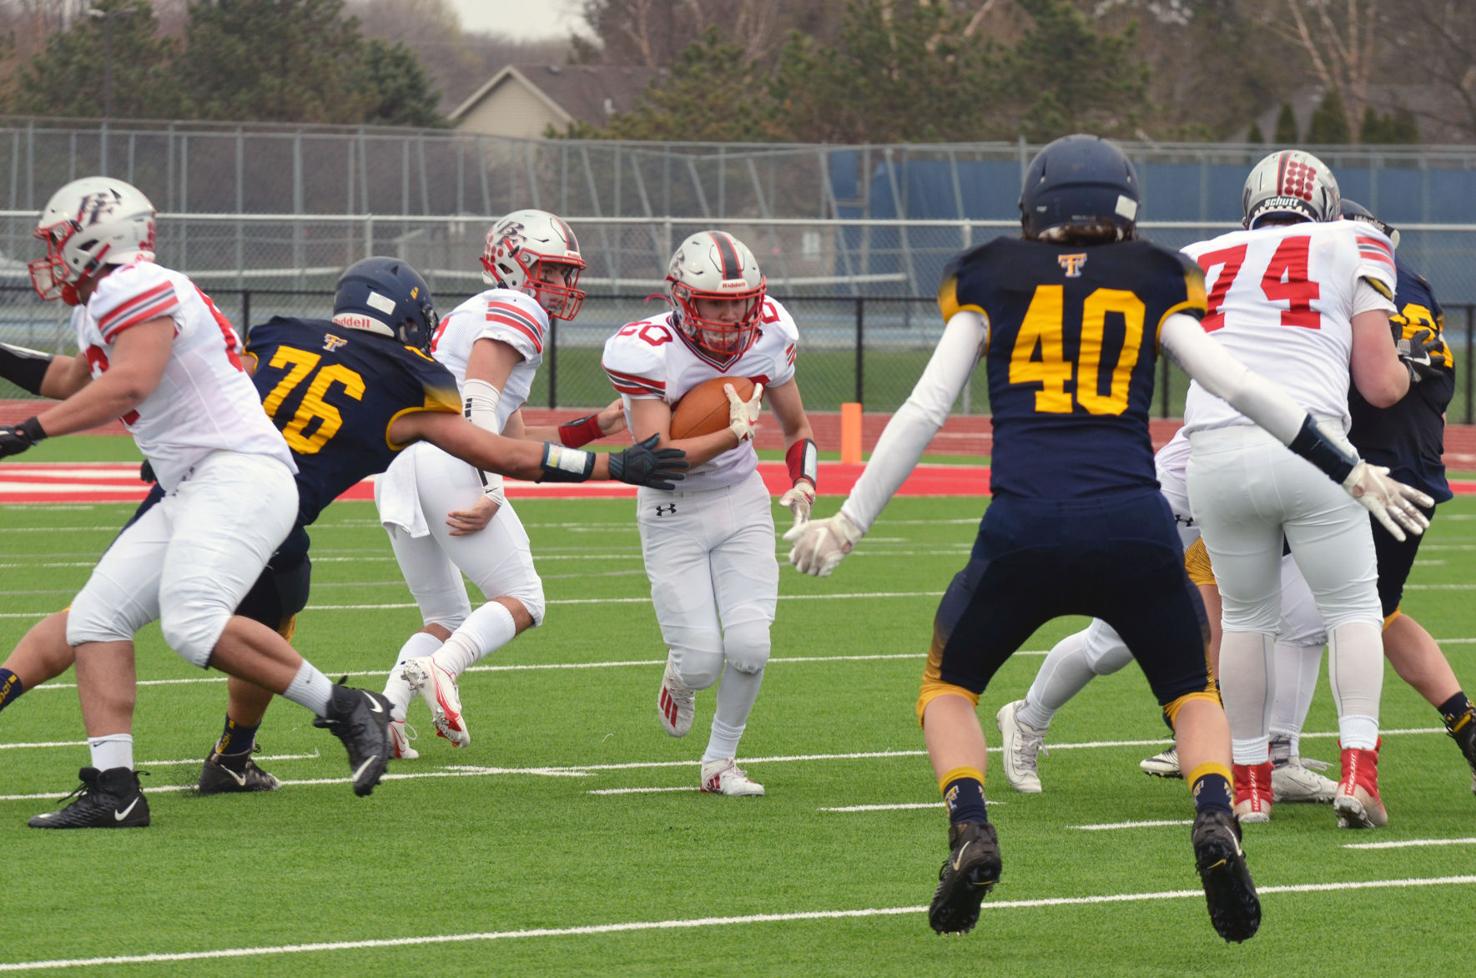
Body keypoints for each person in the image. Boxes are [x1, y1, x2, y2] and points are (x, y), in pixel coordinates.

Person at [785, 134, 1428, 940]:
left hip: (1022, 525)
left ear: (1034, 205)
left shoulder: (987, 274)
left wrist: (849, 521)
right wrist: (1345, 467)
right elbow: (1240, 383)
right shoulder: (1159, 277)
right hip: (1134, 526)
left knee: (948, 687)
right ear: (1126, 207)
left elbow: (923, 408)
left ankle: (971, 826)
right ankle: (1217, 814)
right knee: (1193, 692)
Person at [0, 252, 688, 820]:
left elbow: (191, 384)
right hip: (262, 506)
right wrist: (611, 465)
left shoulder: (276, 334)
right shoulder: (402, 383)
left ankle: (177, 771)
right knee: (205, 617)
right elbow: (501, 451)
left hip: (198, 482)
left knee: (106, 615)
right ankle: (264, 740)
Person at [0, 177, 389, 824]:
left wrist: (25, 433)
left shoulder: (133, 283)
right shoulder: (107, 298)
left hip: (238, 472)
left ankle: (347, 707)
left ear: (98, 238)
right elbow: (74, 376)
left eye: (58, 240)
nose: (51, 253)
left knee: (192, 623)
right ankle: (114, 789)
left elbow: (131, 381)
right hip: (195, 482)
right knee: (95, 620)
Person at [1179, 151, 1423, 829]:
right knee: (1350, 606)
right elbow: (1378, 381)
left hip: (1214, 450)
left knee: (1248, 617)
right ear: (1327, 202)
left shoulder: (1200, 254)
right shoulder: (1357, 239)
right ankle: (1358, 774)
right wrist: (1411, 372)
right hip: (1312, 446)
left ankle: (1251, 785)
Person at [373, 209, 620, 757]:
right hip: (448, 455)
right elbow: (478, 403)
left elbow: (517, 439)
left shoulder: (479, 310)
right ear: (511, 265)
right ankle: (442, 669)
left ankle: (385, 715)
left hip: (400, 463)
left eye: (564, 273)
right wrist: (489, 490)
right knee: (526, 600)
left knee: (445, 616)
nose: (560, 285)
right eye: (549, 271)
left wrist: (597, 427)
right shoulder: (517, 305)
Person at [1267, 200, 1476, 795]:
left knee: (1284, 608)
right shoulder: (1416, 284)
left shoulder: (1346, 280)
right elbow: (1427, 376)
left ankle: (1259, 747)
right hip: (1419, 472)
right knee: (1378, 610)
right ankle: (1467, 727)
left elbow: (1374, 384)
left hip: (1360, 471)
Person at [601, 229, 816, 796]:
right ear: (681, 298)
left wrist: (805, 479)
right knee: (701, 661)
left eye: (739, 301)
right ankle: (681, 676)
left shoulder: (771, 331)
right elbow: (656, 460)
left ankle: (720, 762)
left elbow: (797, 426)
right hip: (673, 506)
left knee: (750, 647)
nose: (730, 314)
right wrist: (733, 432)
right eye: (716, 302)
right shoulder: (646, 349)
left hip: (742, 499)